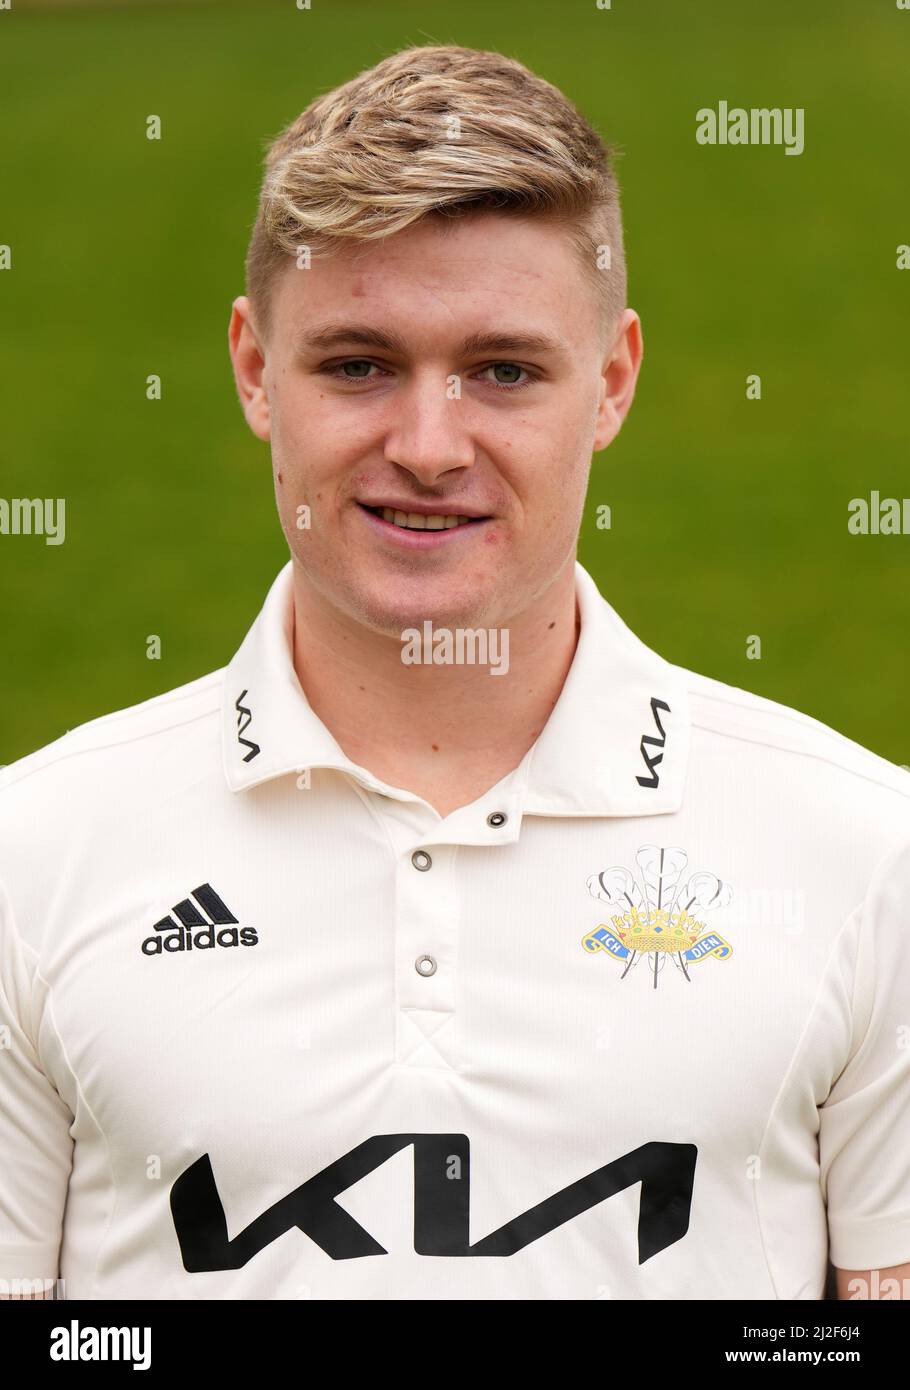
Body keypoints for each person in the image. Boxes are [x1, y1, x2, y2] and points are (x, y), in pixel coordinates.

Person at [1, 44, 908, 1302]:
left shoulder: (865, 852)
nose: (428, 448)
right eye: (359, 364)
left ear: (613, 380)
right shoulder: (31, 853)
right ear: (257, 369)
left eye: (504, 372)